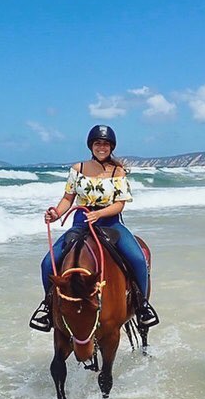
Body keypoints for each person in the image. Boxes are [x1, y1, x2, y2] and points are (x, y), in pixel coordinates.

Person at [29, 124, 159, 331]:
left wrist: (99, 213)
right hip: (81, 222)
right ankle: (48, 306)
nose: (102, 147)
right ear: (91, 146)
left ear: (111, 147)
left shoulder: (118, 171)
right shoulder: (77, 169)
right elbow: (67, 199)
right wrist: (55, 214)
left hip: (111, 223)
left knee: (138, 259)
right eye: (98, 143)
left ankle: (142, 305)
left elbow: (120, 203)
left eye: (106, 144)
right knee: (47, 263)